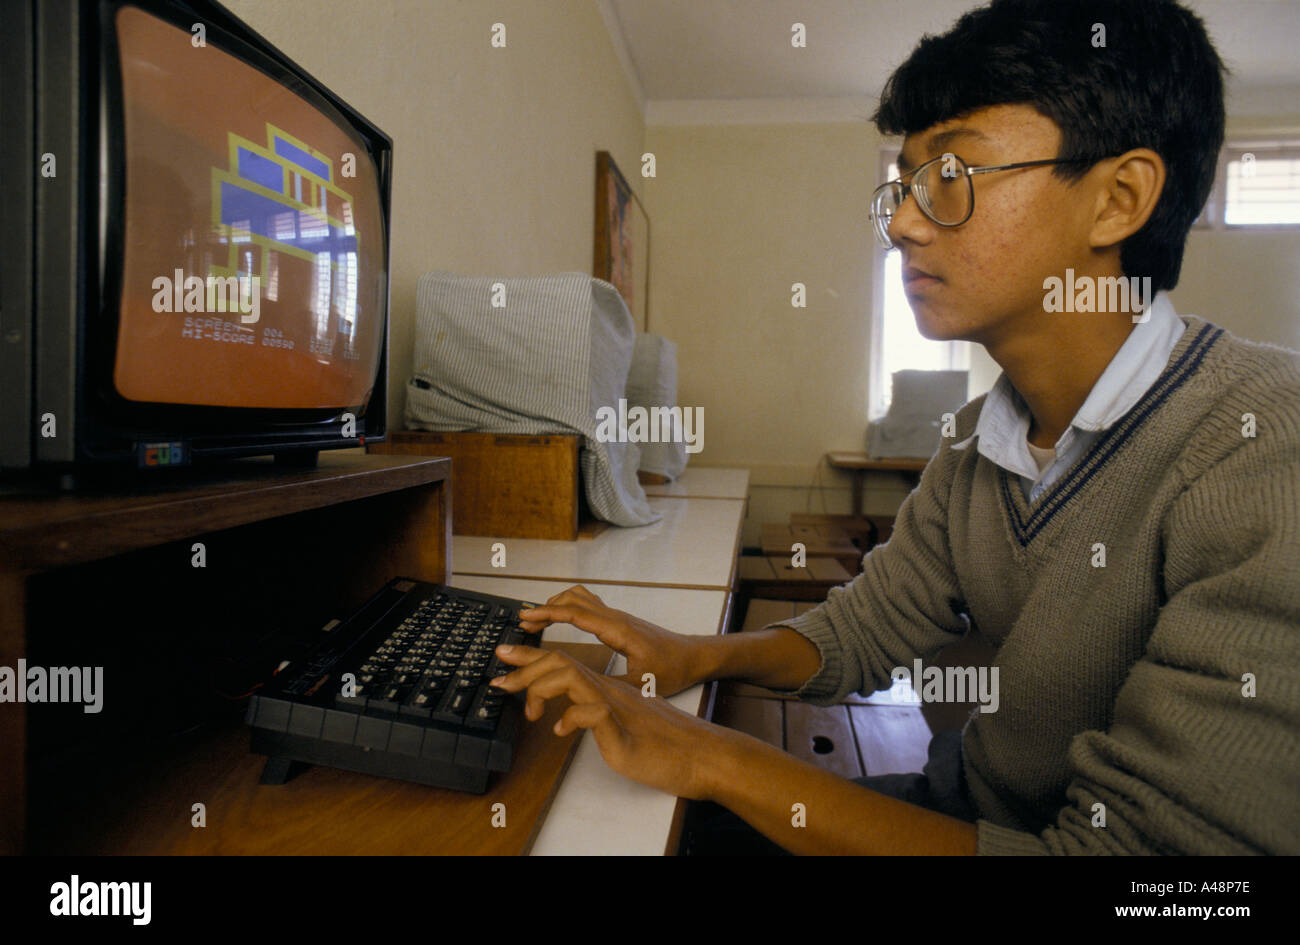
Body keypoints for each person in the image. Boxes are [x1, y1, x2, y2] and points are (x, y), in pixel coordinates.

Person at [490, 0, 1300, 855]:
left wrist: (710, 754)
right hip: (968, 809)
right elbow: (863, 630)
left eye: (952, 177)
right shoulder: (976, 438)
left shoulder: (1260, 443)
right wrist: (695, 654)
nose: (905, 224)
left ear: (1118, 200)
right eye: (905, 187)